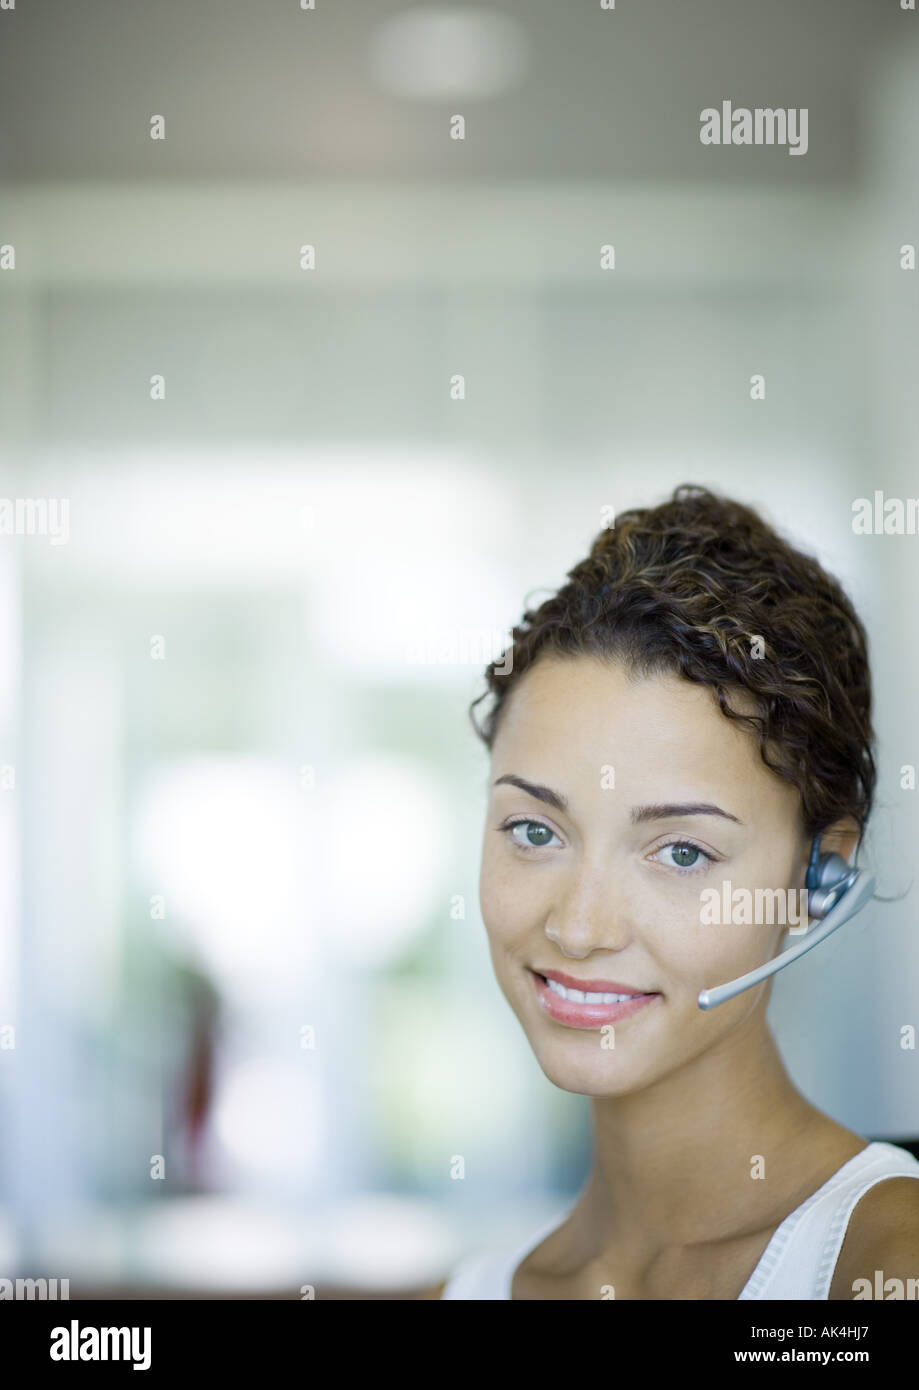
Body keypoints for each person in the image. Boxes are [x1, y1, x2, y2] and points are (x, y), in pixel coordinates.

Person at [424, 484, 919, 1300]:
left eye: (681, 852)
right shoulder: (470, 1294)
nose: (579, 929)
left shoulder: (881, 1272)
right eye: (535, 831)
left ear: (817, 875)